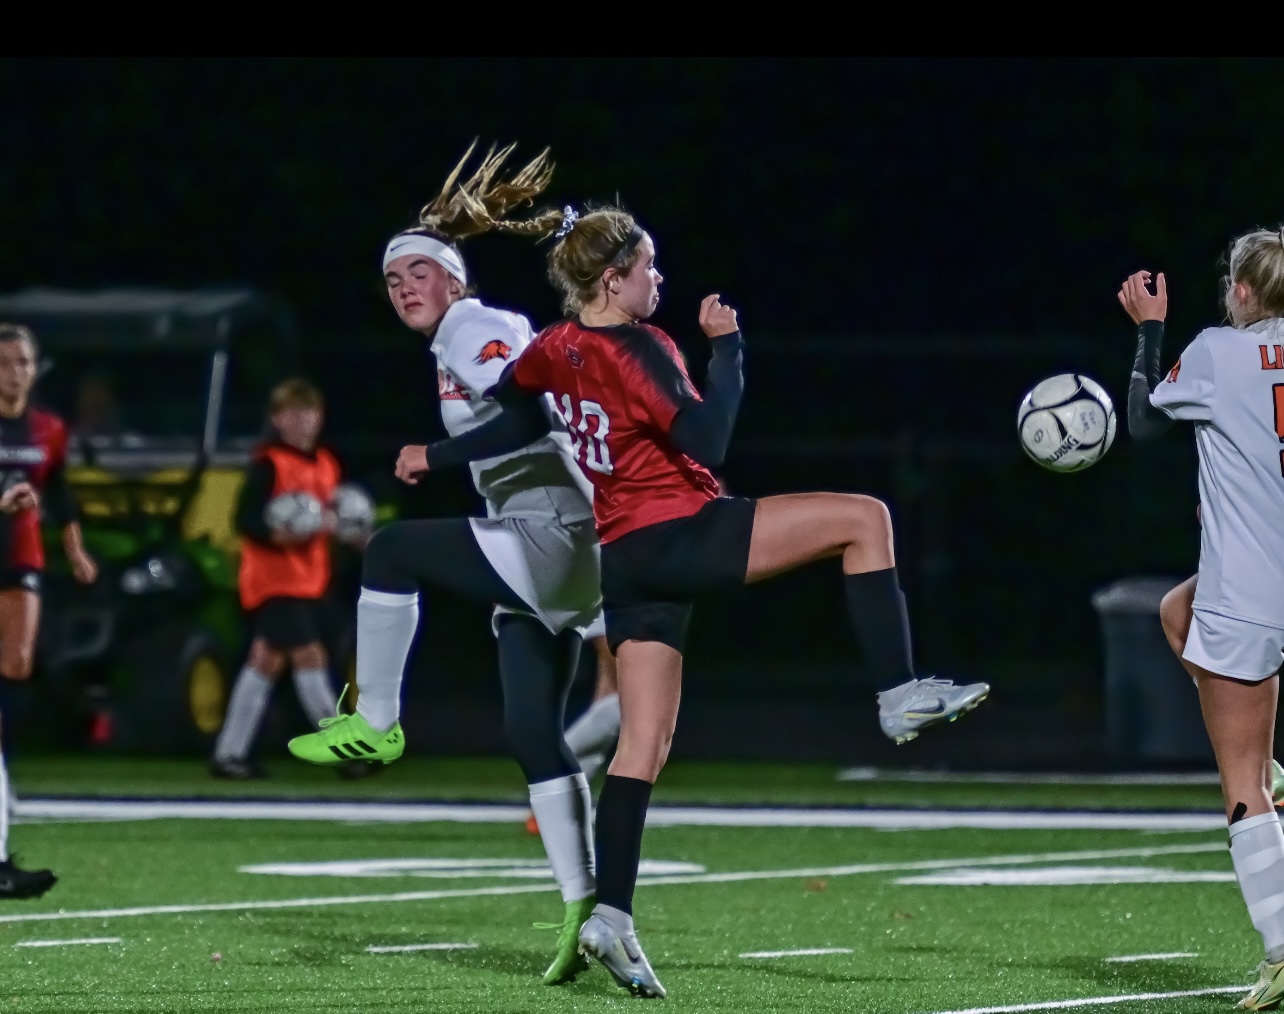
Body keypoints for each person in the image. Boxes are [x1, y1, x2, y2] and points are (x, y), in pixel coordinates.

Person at [404, 204, 990, 998]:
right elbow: (708, 441)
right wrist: (729, 347)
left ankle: (610, 915)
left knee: (641, 747)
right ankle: (897, 693)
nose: (659, 280)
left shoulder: (554, 346)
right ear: (612, 280)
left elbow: (514, 411)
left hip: (623, 561)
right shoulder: (639, 345)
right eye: (648, 268)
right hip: (683, 531)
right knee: (865, 519)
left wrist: (435, 453)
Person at [286, 143, 605, 986]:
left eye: (419, 273)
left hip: (554, 533)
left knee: (392, 549)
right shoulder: (467, 333)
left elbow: (531, 415)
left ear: (455, 281)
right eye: (393, 282)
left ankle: (378, 721)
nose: (404, 290)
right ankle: (585, 906)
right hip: (555, 543)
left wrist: (434, 455)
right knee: (532, 730)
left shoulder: (473, 325)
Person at [1122, 228, 1284, 1010]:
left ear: (1243, 291)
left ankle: (1283, 950)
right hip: (1251, 583)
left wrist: (1149, 330)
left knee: (1240, 785)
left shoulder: (1220, 351)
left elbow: (1146, 423)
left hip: (1251, 595)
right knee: (1172, 609)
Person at [211, 378, 368, 780]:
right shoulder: (268, 463)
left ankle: (229, 755)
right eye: (293, 413)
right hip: (274, 582)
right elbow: (245, 520)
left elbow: (331, 518)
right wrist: (278, 535)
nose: (303, 421)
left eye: (310, 412)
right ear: (277, 419)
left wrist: (353, 536)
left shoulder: (327, 463)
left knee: (264, 662)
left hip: (310, 581)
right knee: (309, 657)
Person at [0, 323, 97, 899]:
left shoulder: (48, 429)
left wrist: (76, 550)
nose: (14, 371)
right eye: (5, 361)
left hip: (19, 558)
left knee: (14, 674)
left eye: (23, 362)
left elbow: (60, 491)